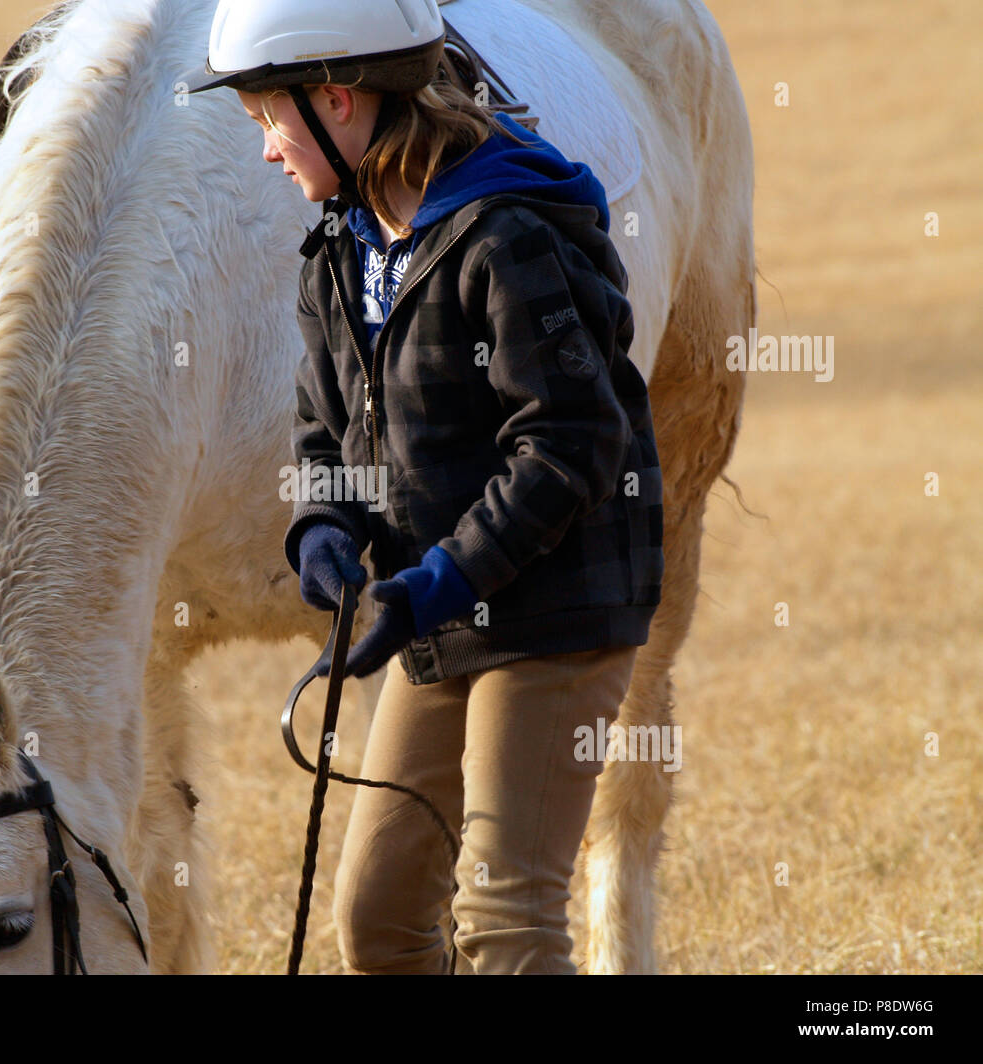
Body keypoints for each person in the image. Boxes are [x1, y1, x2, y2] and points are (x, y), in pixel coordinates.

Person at [178, 0, 663, 974]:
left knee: (508, 921)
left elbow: (569, 442)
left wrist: (440, 579)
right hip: (439, 614)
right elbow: (327, 427)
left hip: (559, 611)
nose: (269, 150)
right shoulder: (340, 249)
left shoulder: (509, 237)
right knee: (380, 920)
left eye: (269, 118)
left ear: (339, 101)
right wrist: (323, 518)